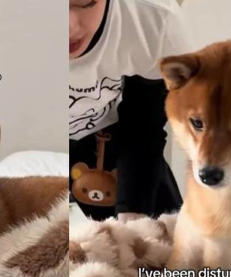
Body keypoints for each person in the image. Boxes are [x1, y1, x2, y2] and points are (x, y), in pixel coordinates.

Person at [69, 0, 190, 221]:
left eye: (84, 1)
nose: (68, 27)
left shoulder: (155, 21)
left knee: (160, 234)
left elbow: (144, 124)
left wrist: (133, 211)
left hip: (113, 138)